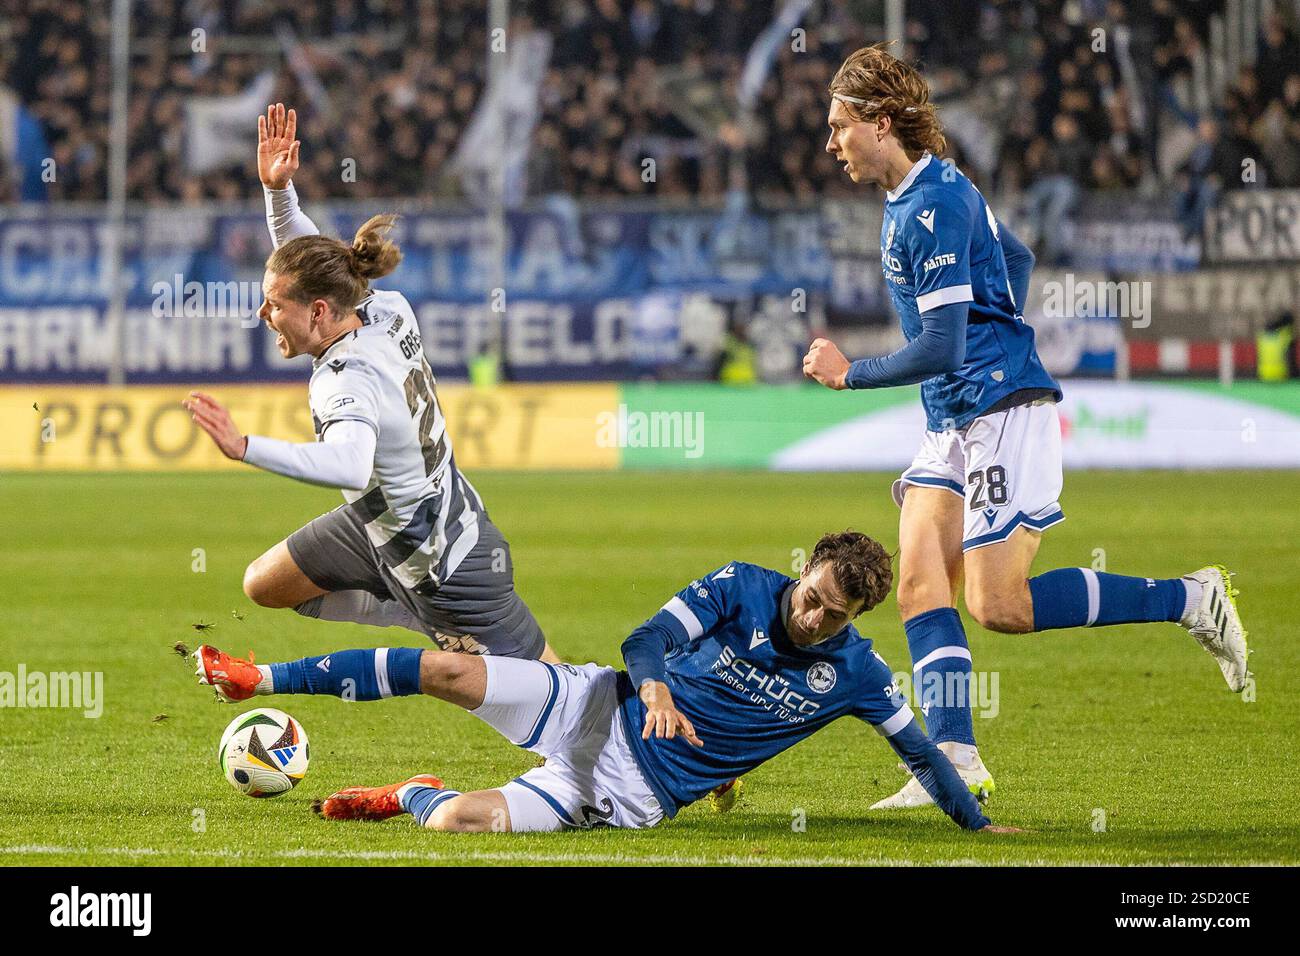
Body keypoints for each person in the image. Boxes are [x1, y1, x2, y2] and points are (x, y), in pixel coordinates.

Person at [803, 45, 1250, 809]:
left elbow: (943, 342)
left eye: (841, 126)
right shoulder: (929, 191)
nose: (830, 142)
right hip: (953, 418)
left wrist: (854, 373)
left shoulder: (934, 203)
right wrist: (998, 322)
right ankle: (952, 759)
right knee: (915, 584)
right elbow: (1016, 252)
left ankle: (1189, 598)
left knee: (997, 606)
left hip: (1002, 412)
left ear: (881, 124)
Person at [192, 531, 1018, 834]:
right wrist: (652, 688)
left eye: (832, 616)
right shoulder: (742, 584)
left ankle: (407, 791)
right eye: (810, 597)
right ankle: (258, 674)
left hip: (628, 793)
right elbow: (648, 637)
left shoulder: (861, 675)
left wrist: (975, 828)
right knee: (443, 666)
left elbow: (922, 752)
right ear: (802, 572)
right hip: (597, 700)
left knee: (452, 822)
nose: (811, 619)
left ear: (857, 616)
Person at [184, 103, 558, 664]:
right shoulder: (384, 307)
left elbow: (351, 465)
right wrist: (278, 191)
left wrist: (244, 448)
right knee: (265, 584)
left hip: (440, 559)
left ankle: (431, 612)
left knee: (551, 692)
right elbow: (315, 258)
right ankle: (406, 609)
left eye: (273, 305)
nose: (262, 314)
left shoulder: (343, 379)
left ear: (316, 312)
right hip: (381, 522)